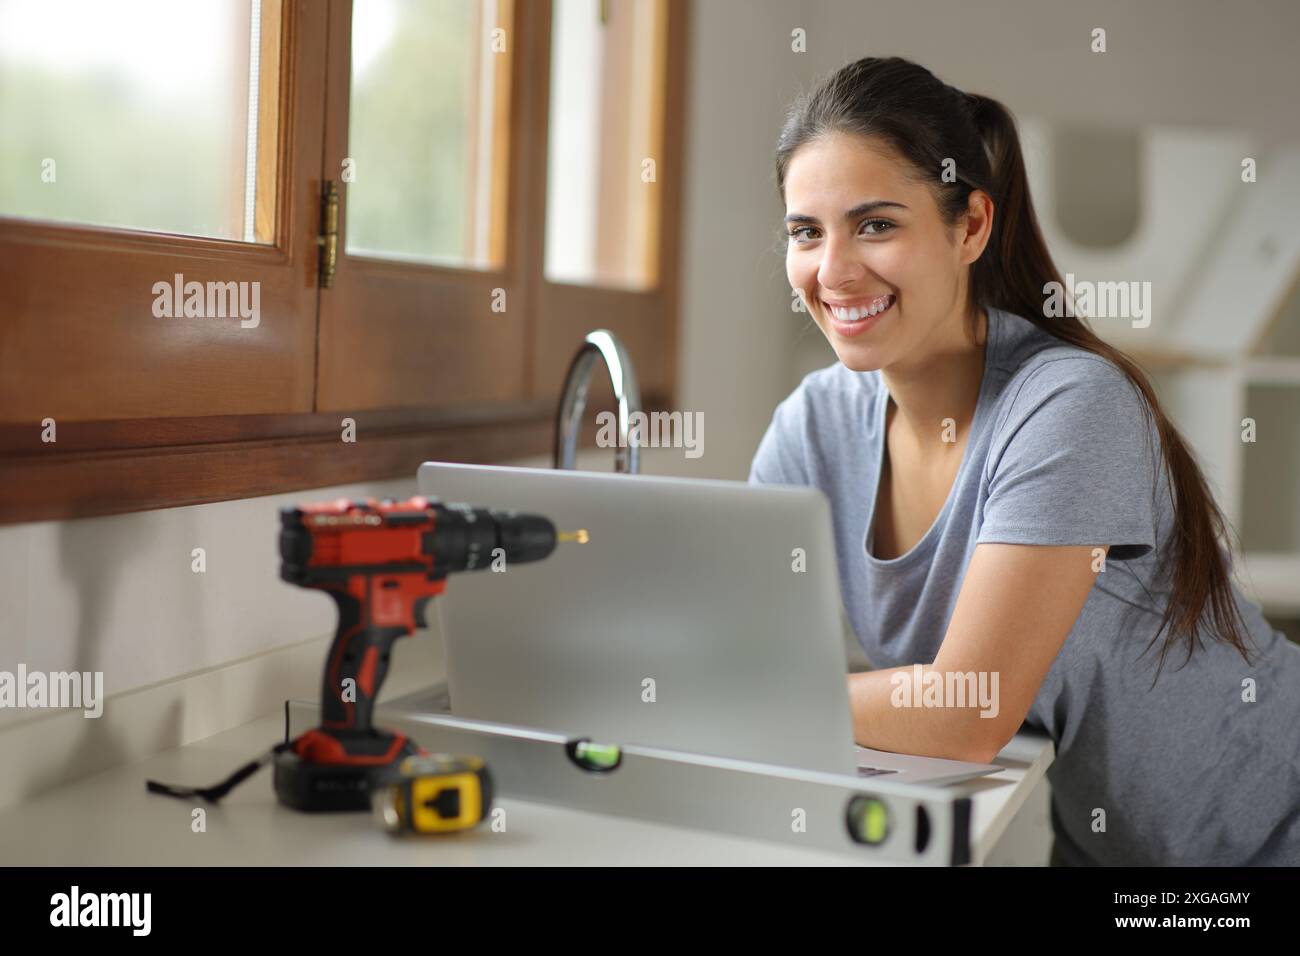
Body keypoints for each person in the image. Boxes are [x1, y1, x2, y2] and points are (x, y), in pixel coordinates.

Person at [749, 56, 1300, 866]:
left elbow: (966, 714)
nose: (832, 271)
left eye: (876, 225)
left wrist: (729, 699)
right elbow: (738, 648)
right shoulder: (814, 425)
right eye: (807, 232)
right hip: (1116, 853)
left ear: (971, 225)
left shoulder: (1071, 405)